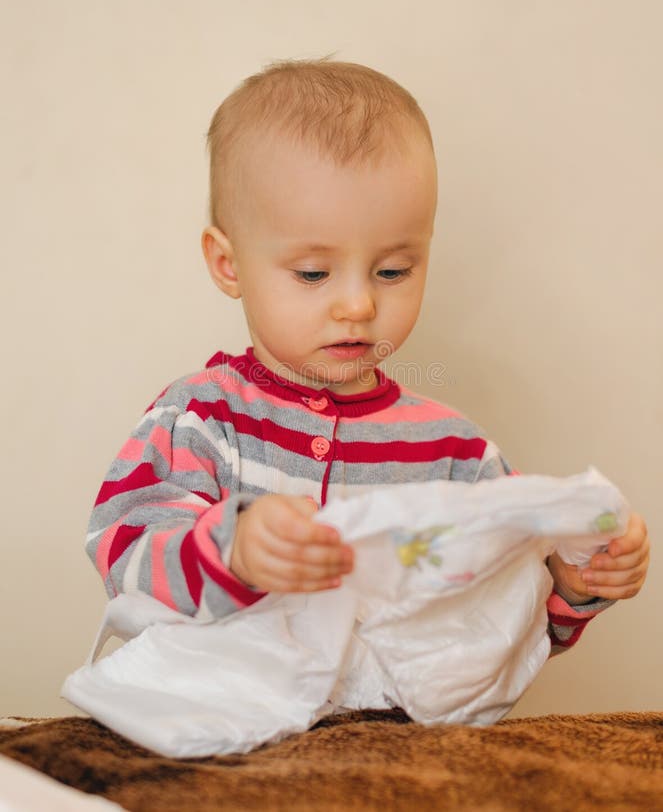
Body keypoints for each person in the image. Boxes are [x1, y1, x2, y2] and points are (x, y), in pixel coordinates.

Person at [87, 59, 649, 654]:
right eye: (313, 272)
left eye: (392, 271)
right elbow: (122, 551)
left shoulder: (457, 455)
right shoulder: (200, 418)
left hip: (395, 740)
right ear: (229, 265)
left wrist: (571, 579)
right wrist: (235, 551)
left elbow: (500, 629)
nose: (357, 304)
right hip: (225, 730)